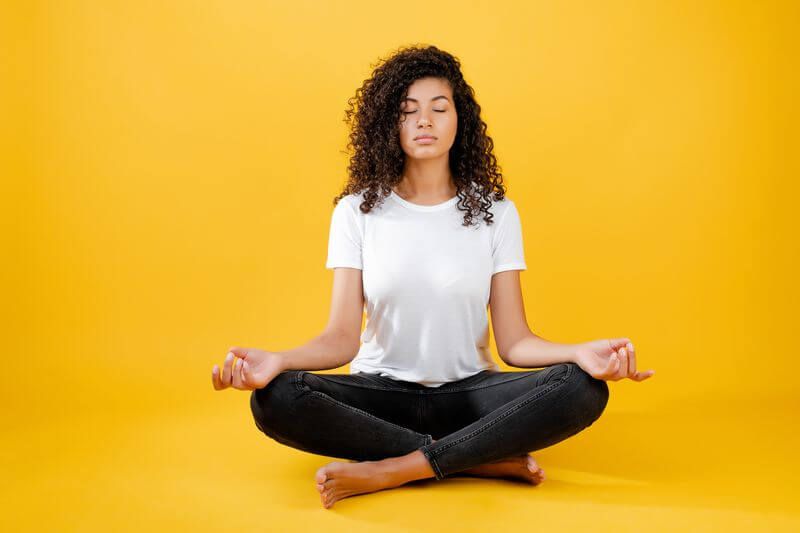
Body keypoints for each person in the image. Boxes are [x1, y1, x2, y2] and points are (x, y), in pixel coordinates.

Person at [210, 44, 655, 509]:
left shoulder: (495, 212)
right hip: (383, 394)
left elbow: (515, 342)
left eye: (439, 109)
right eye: (408, 111)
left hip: (471, 396)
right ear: (389, 125)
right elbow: (341, 339)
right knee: (275, 398)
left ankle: (397, 467)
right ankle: (478, 458)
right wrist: (277, 362)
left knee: (582, 387)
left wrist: (580, 352)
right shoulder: (357, 211)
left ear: (458, 120)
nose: (425, 121)